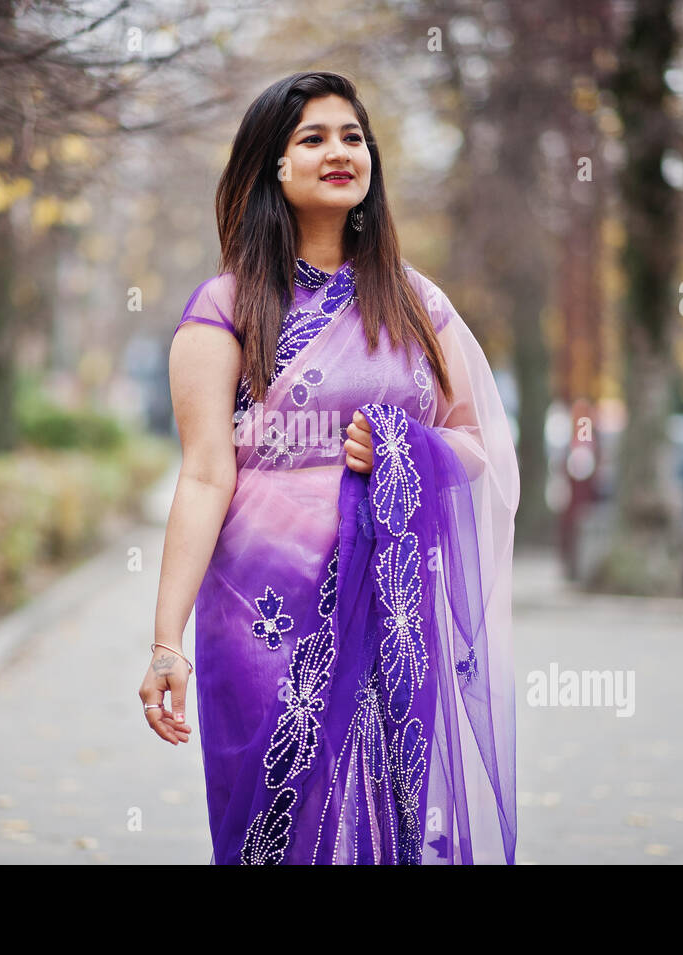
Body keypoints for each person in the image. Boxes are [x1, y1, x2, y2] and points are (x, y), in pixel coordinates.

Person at [140, 71, 520, 865]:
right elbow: (206, 475)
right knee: (279, 827)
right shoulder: (228, 307)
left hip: (390, 609)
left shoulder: (415, 303)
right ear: (272, 166)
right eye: (313, 138)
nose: (339, 151)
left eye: (352, 136)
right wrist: (165, 640)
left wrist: (404, 452)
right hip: (260, 611)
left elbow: (478, 442)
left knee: (386, 819)